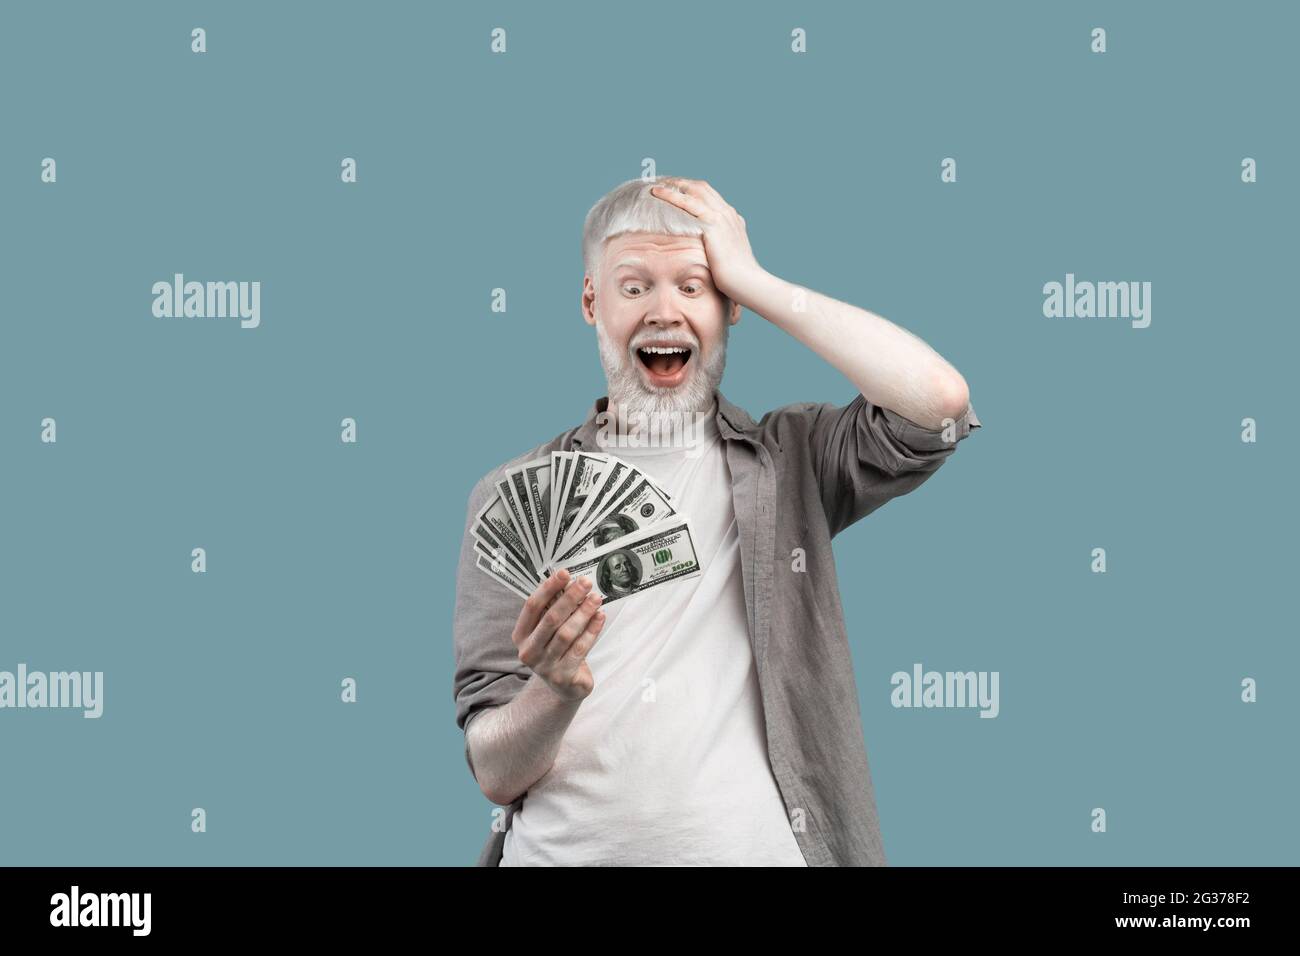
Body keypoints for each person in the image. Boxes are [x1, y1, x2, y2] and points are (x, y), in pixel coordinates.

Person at [451, 176, 982, 865]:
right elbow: (495, 771)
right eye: (634, 286)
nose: (663, 310)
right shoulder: (515, 496)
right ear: (591, 302)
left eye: (694, 287)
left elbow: (938, 405)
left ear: (730, 307)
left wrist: (753, 279)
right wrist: (552, 692)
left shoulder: (792, 461)